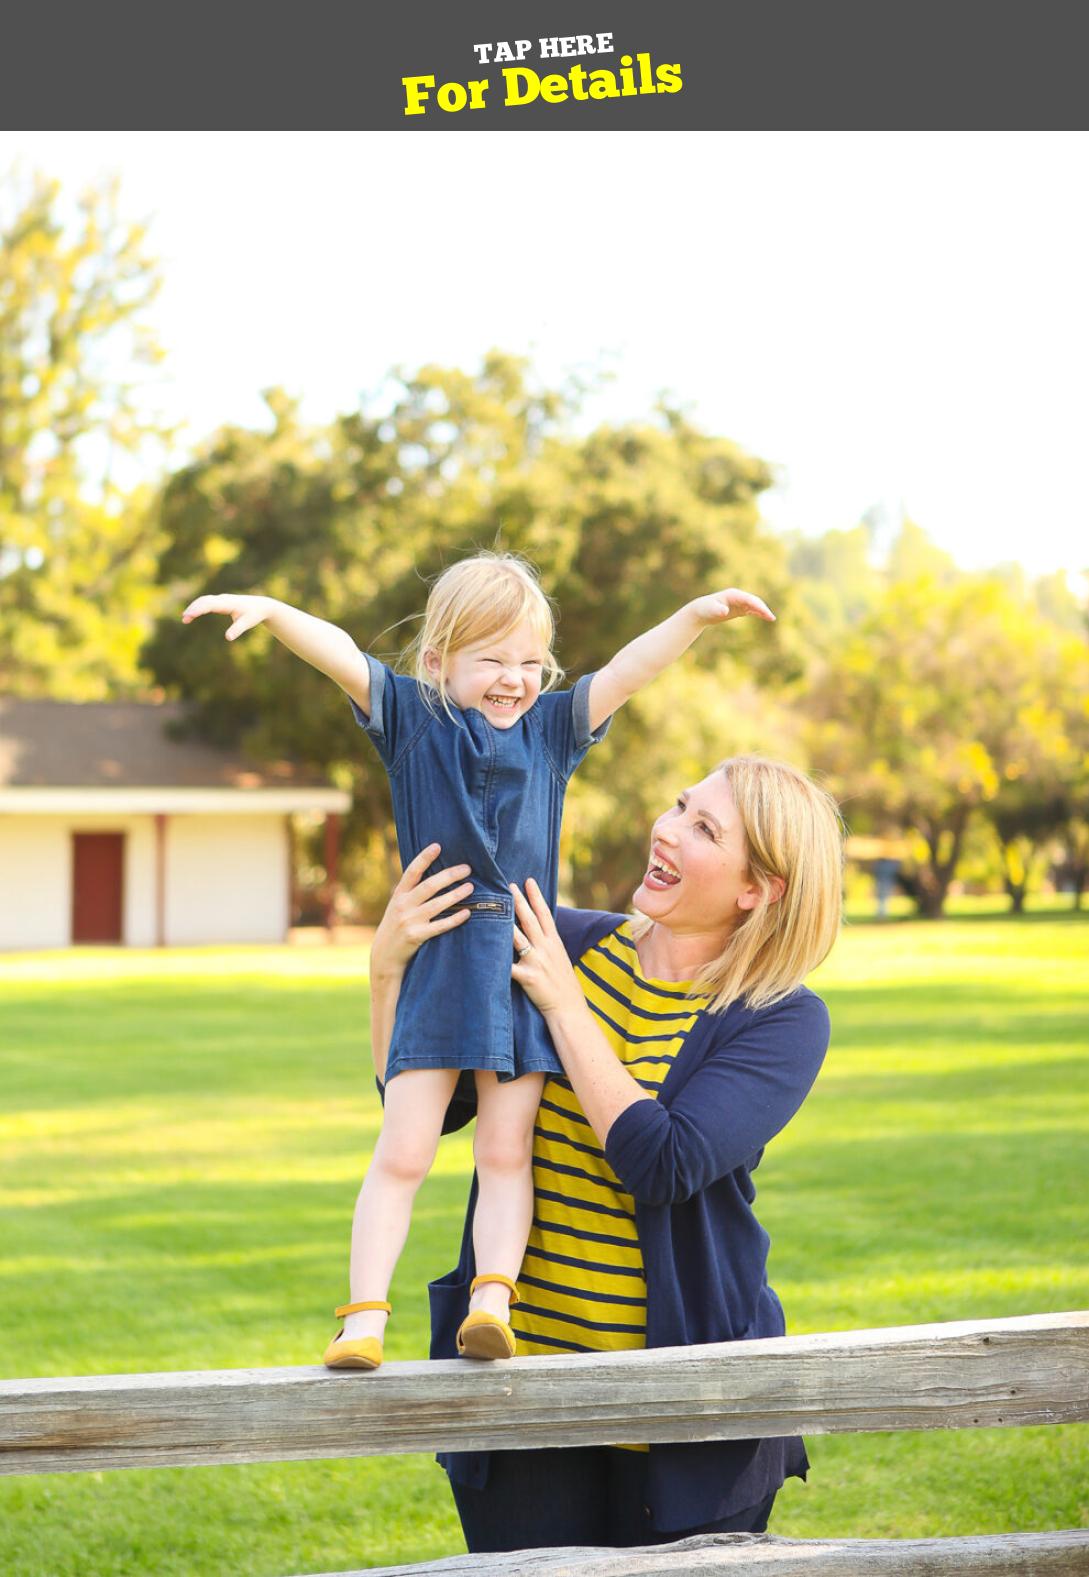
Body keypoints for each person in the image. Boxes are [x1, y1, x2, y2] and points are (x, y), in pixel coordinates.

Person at [181, 553, 774, 1371]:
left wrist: (695, 617)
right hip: (439, 963)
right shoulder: (412, 722)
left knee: (505, 1152)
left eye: (531, 663)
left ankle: (491, 1300)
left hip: (524, 970)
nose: (514, 679)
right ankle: (361, 1318)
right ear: (437, 662)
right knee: (403, 1150)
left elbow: (627, 671)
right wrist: (275, 610)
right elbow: (343, 654)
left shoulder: (553, 732)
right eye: (492, 659)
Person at [368, 753, 844, 1551]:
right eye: (679, 803)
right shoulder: (567, 940)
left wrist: (562, 1000)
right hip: (518, 1386)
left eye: (704, 827)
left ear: (756, 888)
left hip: (689, 1408)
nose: (667, 828)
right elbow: (425, 1108)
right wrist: (387, 972)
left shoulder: (780, 1019)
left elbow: (662, 1160)